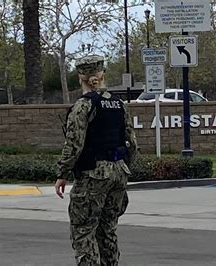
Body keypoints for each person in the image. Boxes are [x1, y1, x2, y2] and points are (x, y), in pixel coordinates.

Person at [54, 54, 137, 265]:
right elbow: (132, 143)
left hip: (93, 174)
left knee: (84, 230)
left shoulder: (83, 106)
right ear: (102, 75)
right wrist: (125, 168)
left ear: (80, 77)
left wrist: (62, 174)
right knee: (108, 230)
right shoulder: (120, 105)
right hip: (119, 172)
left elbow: (74, 144)